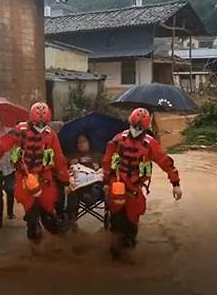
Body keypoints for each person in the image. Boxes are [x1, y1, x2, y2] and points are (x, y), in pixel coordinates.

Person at [102, 107, 183, 259]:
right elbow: (107, 161)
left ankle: (128, 248)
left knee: (132, 221)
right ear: (129, 123)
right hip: (118, 183)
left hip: (135, 187)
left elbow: (165, 162)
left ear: (145, 128)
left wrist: (175, 183)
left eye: (139, 127)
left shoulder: (150, 144)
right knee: (117, 220)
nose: (135, 130)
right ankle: (115, 252)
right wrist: (105, 181)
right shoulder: (118, 140)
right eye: (133, 125)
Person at [0, 102, 69, 243]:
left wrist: (65, 181)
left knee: (49, 214)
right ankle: (34, 241)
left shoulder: (51, 135)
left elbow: (59, 159)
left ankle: (54, 232)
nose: (40, 128)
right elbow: (1, 147)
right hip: (24, 178)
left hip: (45, 179)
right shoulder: (19, 131)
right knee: (31, 217)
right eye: (38, 124)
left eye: (43, 124)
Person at [66, 134, 103, 231]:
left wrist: (99, 168)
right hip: (79, 185)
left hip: (95, 183)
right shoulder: (73, 157)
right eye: (79, 142)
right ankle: (71, 218)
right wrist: (71, 166)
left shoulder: (98, 156)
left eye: (84, 142)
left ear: (89, 143)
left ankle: (90, 197)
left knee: (99, 185)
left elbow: (106, 170)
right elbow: (66, 171)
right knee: (72, 190)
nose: (81, 144)